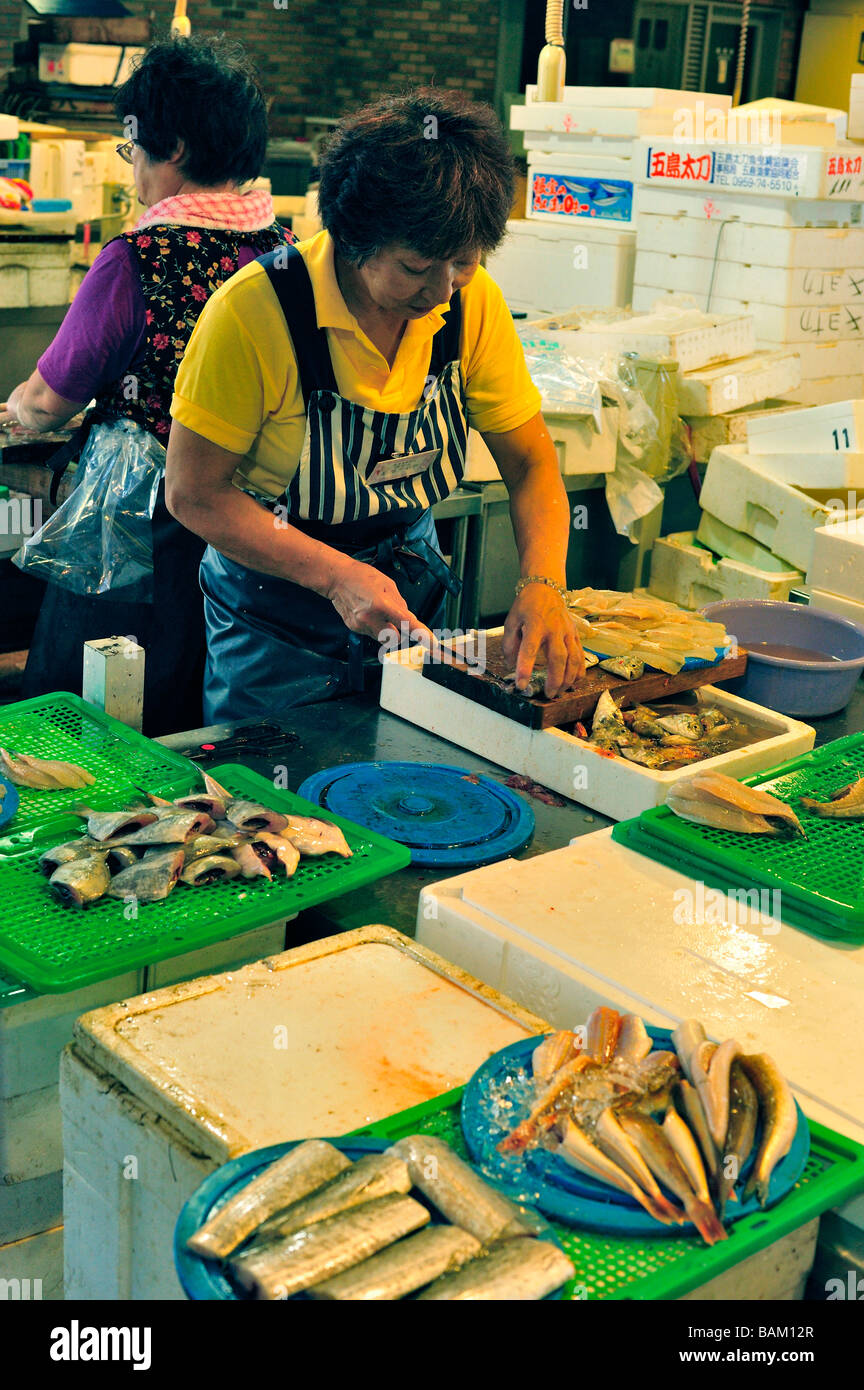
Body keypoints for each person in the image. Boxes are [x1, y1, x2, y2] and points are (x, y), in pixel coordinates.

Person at [166, 88, 585, 724]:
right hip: (276, 611)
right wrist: (333, 575)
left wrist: (542, 584)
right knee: (273, 799)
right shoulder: (254, 313)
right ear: (353, 239)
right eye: (417, 267)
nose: (442, 290)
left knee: (413, 768)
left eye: (464, 263)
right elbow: (194, 494)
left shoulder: (471, 304)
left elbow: (530, 463)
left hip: (409, 584)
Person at [1, 36, 292, 734]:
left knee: (88, 721)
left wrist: (11, 414)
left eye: (133, 150)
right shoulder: (283, 251)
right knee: (202, 719)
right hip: (258, 532)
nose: (131, 169)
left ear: (176, 150)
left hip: (138, 527)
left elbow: (45, 403)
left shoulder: (138, 259)